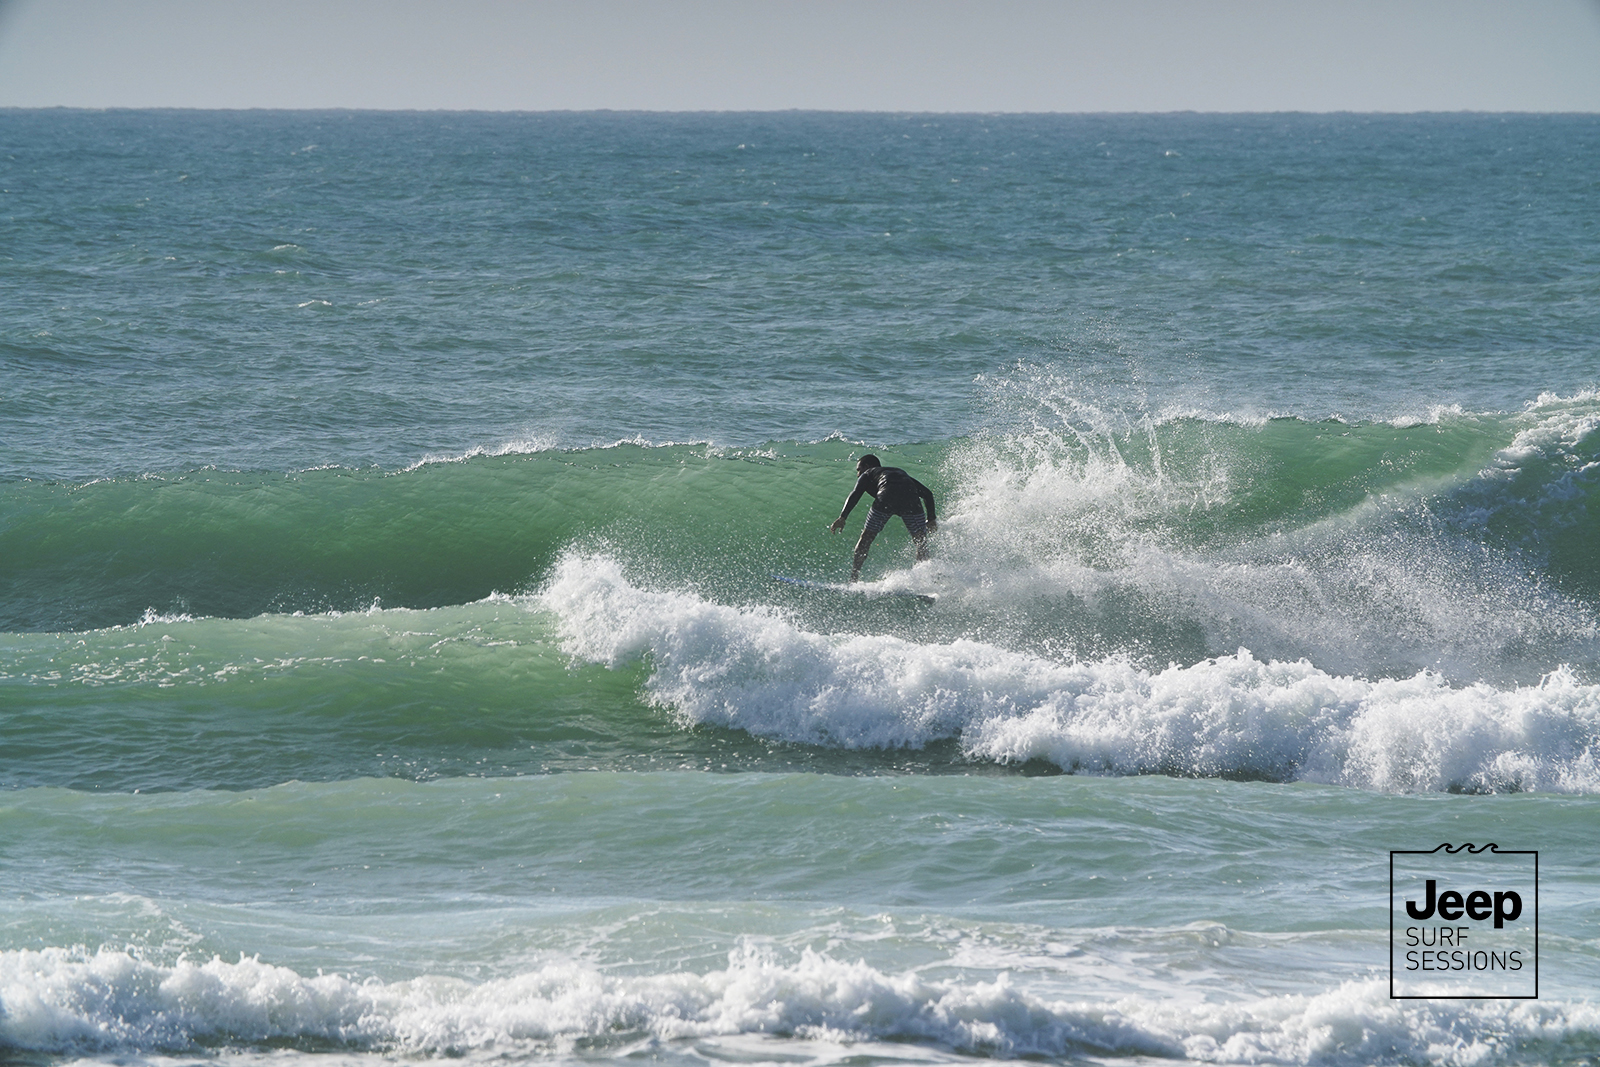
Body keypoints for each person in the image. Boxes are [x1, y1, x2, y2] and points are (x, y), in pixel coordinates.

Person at [828, 454, 938, 582]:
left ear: (867, 466)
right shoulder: (900, 474)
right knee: (921, 542)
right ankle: (925, 578)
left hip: (886, 498)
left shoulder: (867, 473)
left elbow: (855, 494)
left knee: (866, 538)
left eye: (859, 469)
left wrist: (843, 517)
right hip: (911, 500)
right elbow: (927, 494)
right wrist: (931, 519)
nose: (858, 474)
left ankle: (854, 578)